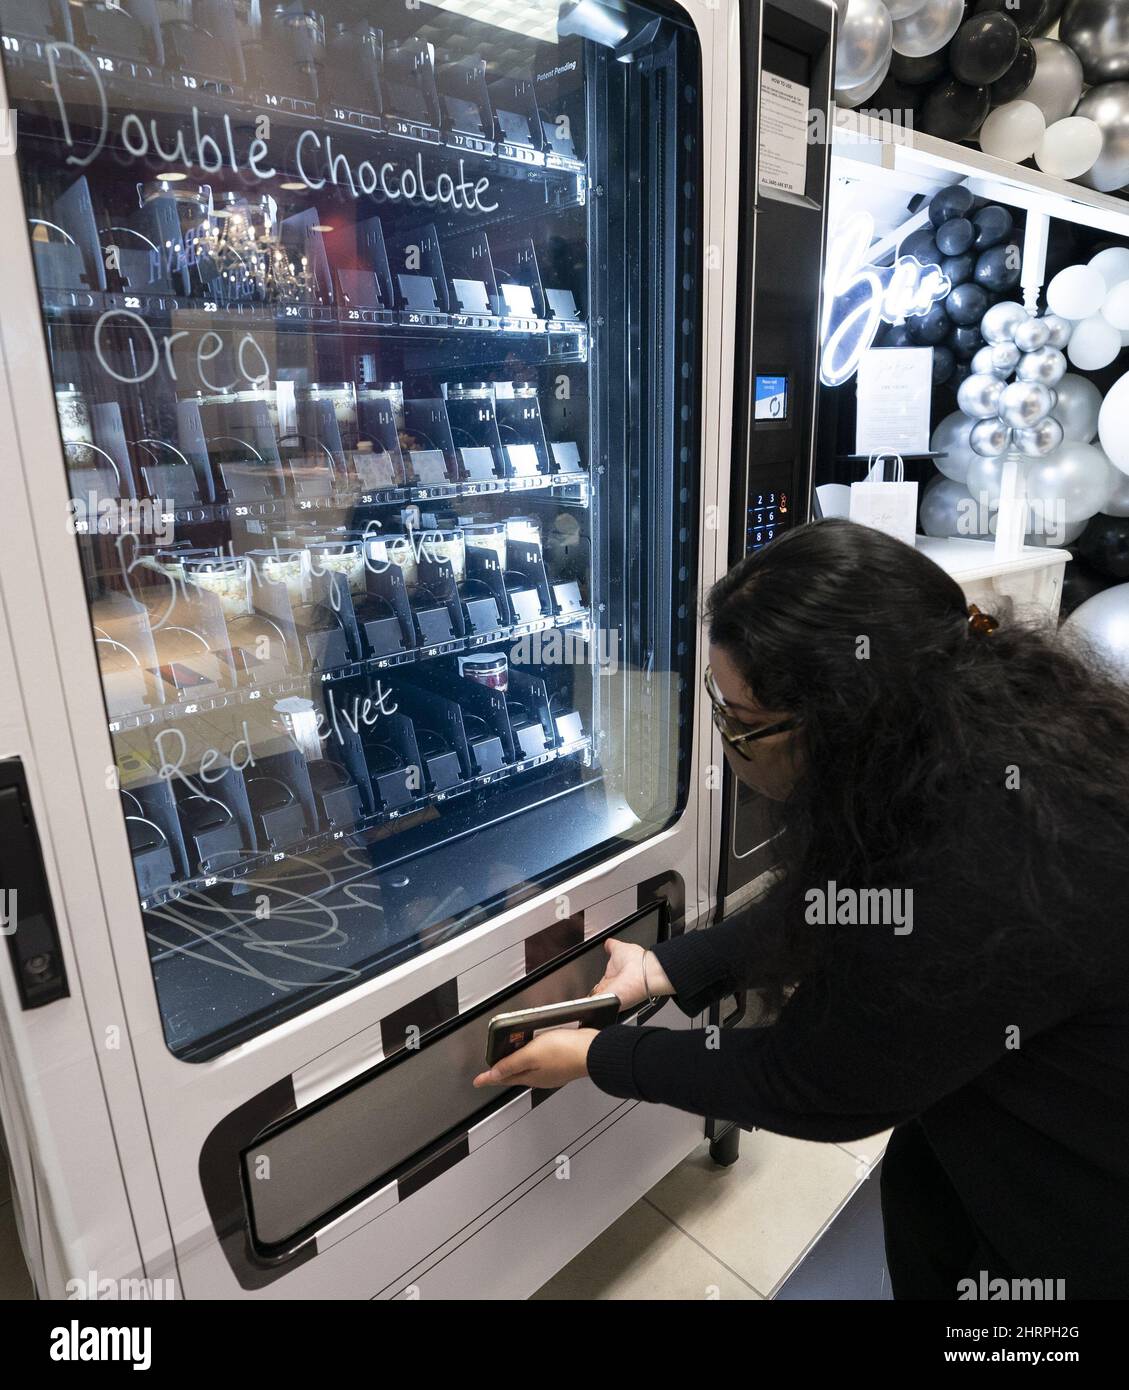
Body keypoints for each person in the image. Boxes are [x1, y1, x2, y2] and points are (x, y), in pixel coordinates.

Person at [474, 518, 1129, 1300]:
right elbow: (859, 897)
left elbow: (820, 1085)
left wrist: (596, 1058)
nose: (727, 742)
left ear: (849, 721)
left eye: (743, 723)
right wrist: (664, 967)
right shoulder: (987, 736)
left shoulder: (986, 862)